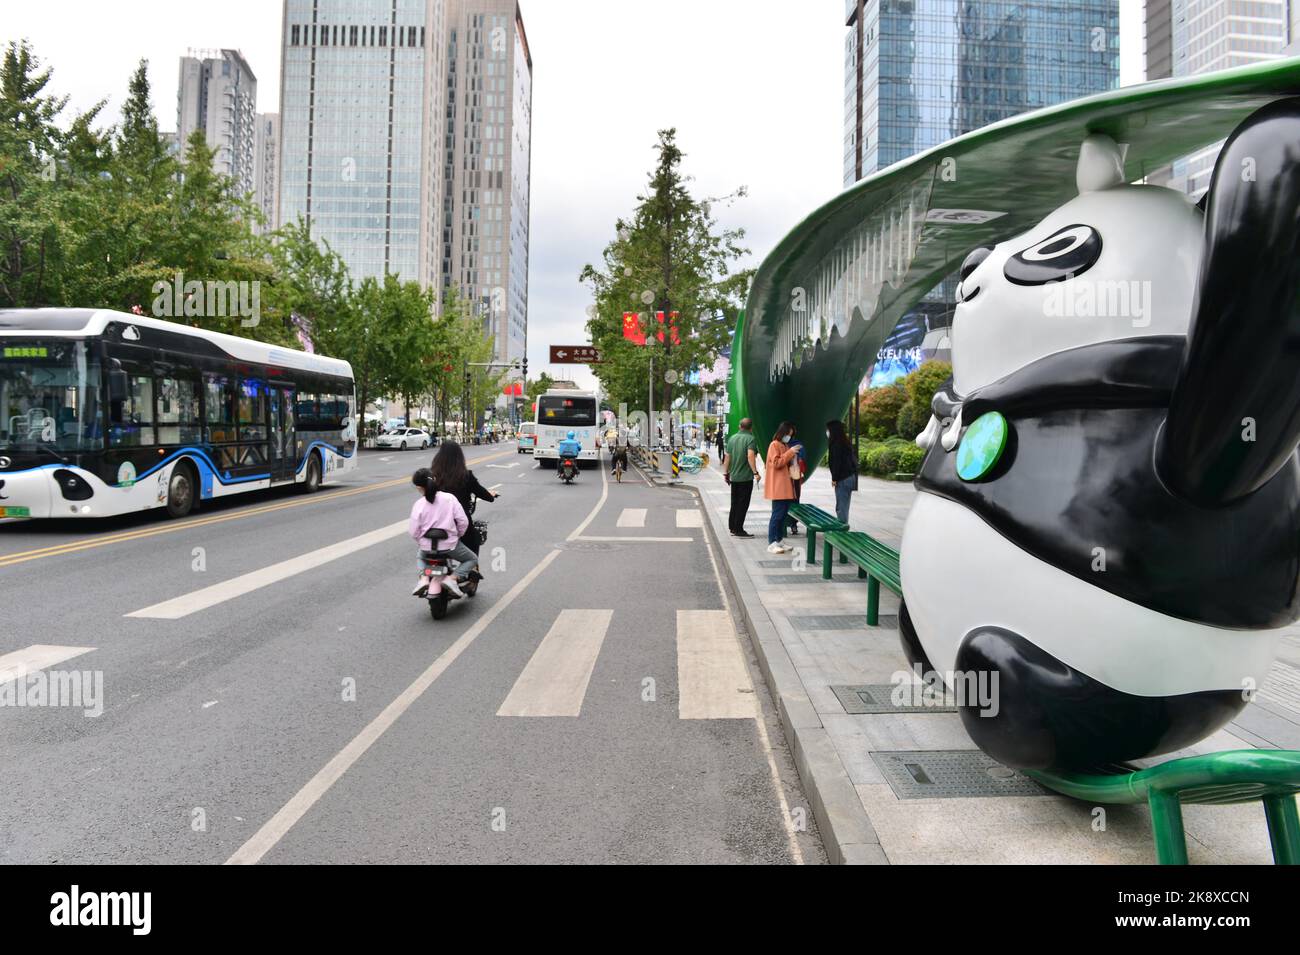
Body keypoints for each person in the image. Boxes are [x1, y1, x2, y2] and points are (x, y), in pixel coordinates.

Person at [409, 467, 476, 598]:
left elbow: (413, 531)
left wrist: (421, 542)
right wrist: (458, 535)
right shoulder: (449, 498)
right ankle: (452, 578)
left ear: (418, 487)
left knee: (420, 556)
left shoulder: (419, 504)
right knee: (472, 559)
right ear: (434, 481)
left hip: (427, 548)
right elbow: (463, 521)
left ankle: (423, 578)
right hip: (450, 546)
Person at [429, 440, 498, 557]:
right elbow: (483, 494)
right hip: (460, 523)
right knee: (474, 542)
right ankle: (472, 572)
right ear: (459, 458)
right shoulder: (466, 476)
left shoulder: (433, 476)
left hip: (437, 523)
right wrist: (490, 495)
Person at [763, 421, 801, 554]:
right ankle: (772, 542)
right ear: (782, 433)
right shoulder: (774, 445)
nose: (789, 437)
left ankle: (779, 541)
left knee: (783, 515)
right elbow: (777, 463)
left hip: (785, 486)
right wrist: (790, 452)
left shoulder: (784, 445)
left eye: (791, 435)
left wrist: (793, 456)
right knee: (777, 515)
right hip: (778, 486)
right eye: (788, 434)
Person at [722, 417, 761, 538]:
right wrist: (755, 472)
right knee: (743, 503)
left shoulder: (732, 438)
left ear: (740, 426)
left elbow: (727, 457)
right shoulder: (751, 439)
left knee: (734, 502)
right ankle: (739, 529)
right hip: (745, 478)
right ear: (751, 428)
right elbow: (750, 456)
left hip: (734, 477)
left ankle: (732, 527)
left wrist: (725, 473)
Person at [826, 419, 858, 525]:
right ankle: (843, 526)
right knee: (844, 505)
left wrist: (834, 478)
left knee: (841, 506)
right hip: (850, 477)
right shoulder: (844, 442)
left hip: (843, 478)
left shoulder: (836, 444)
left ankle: (842, 530)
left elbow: (837, 463)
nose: (827, 432)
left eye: (828, 430)